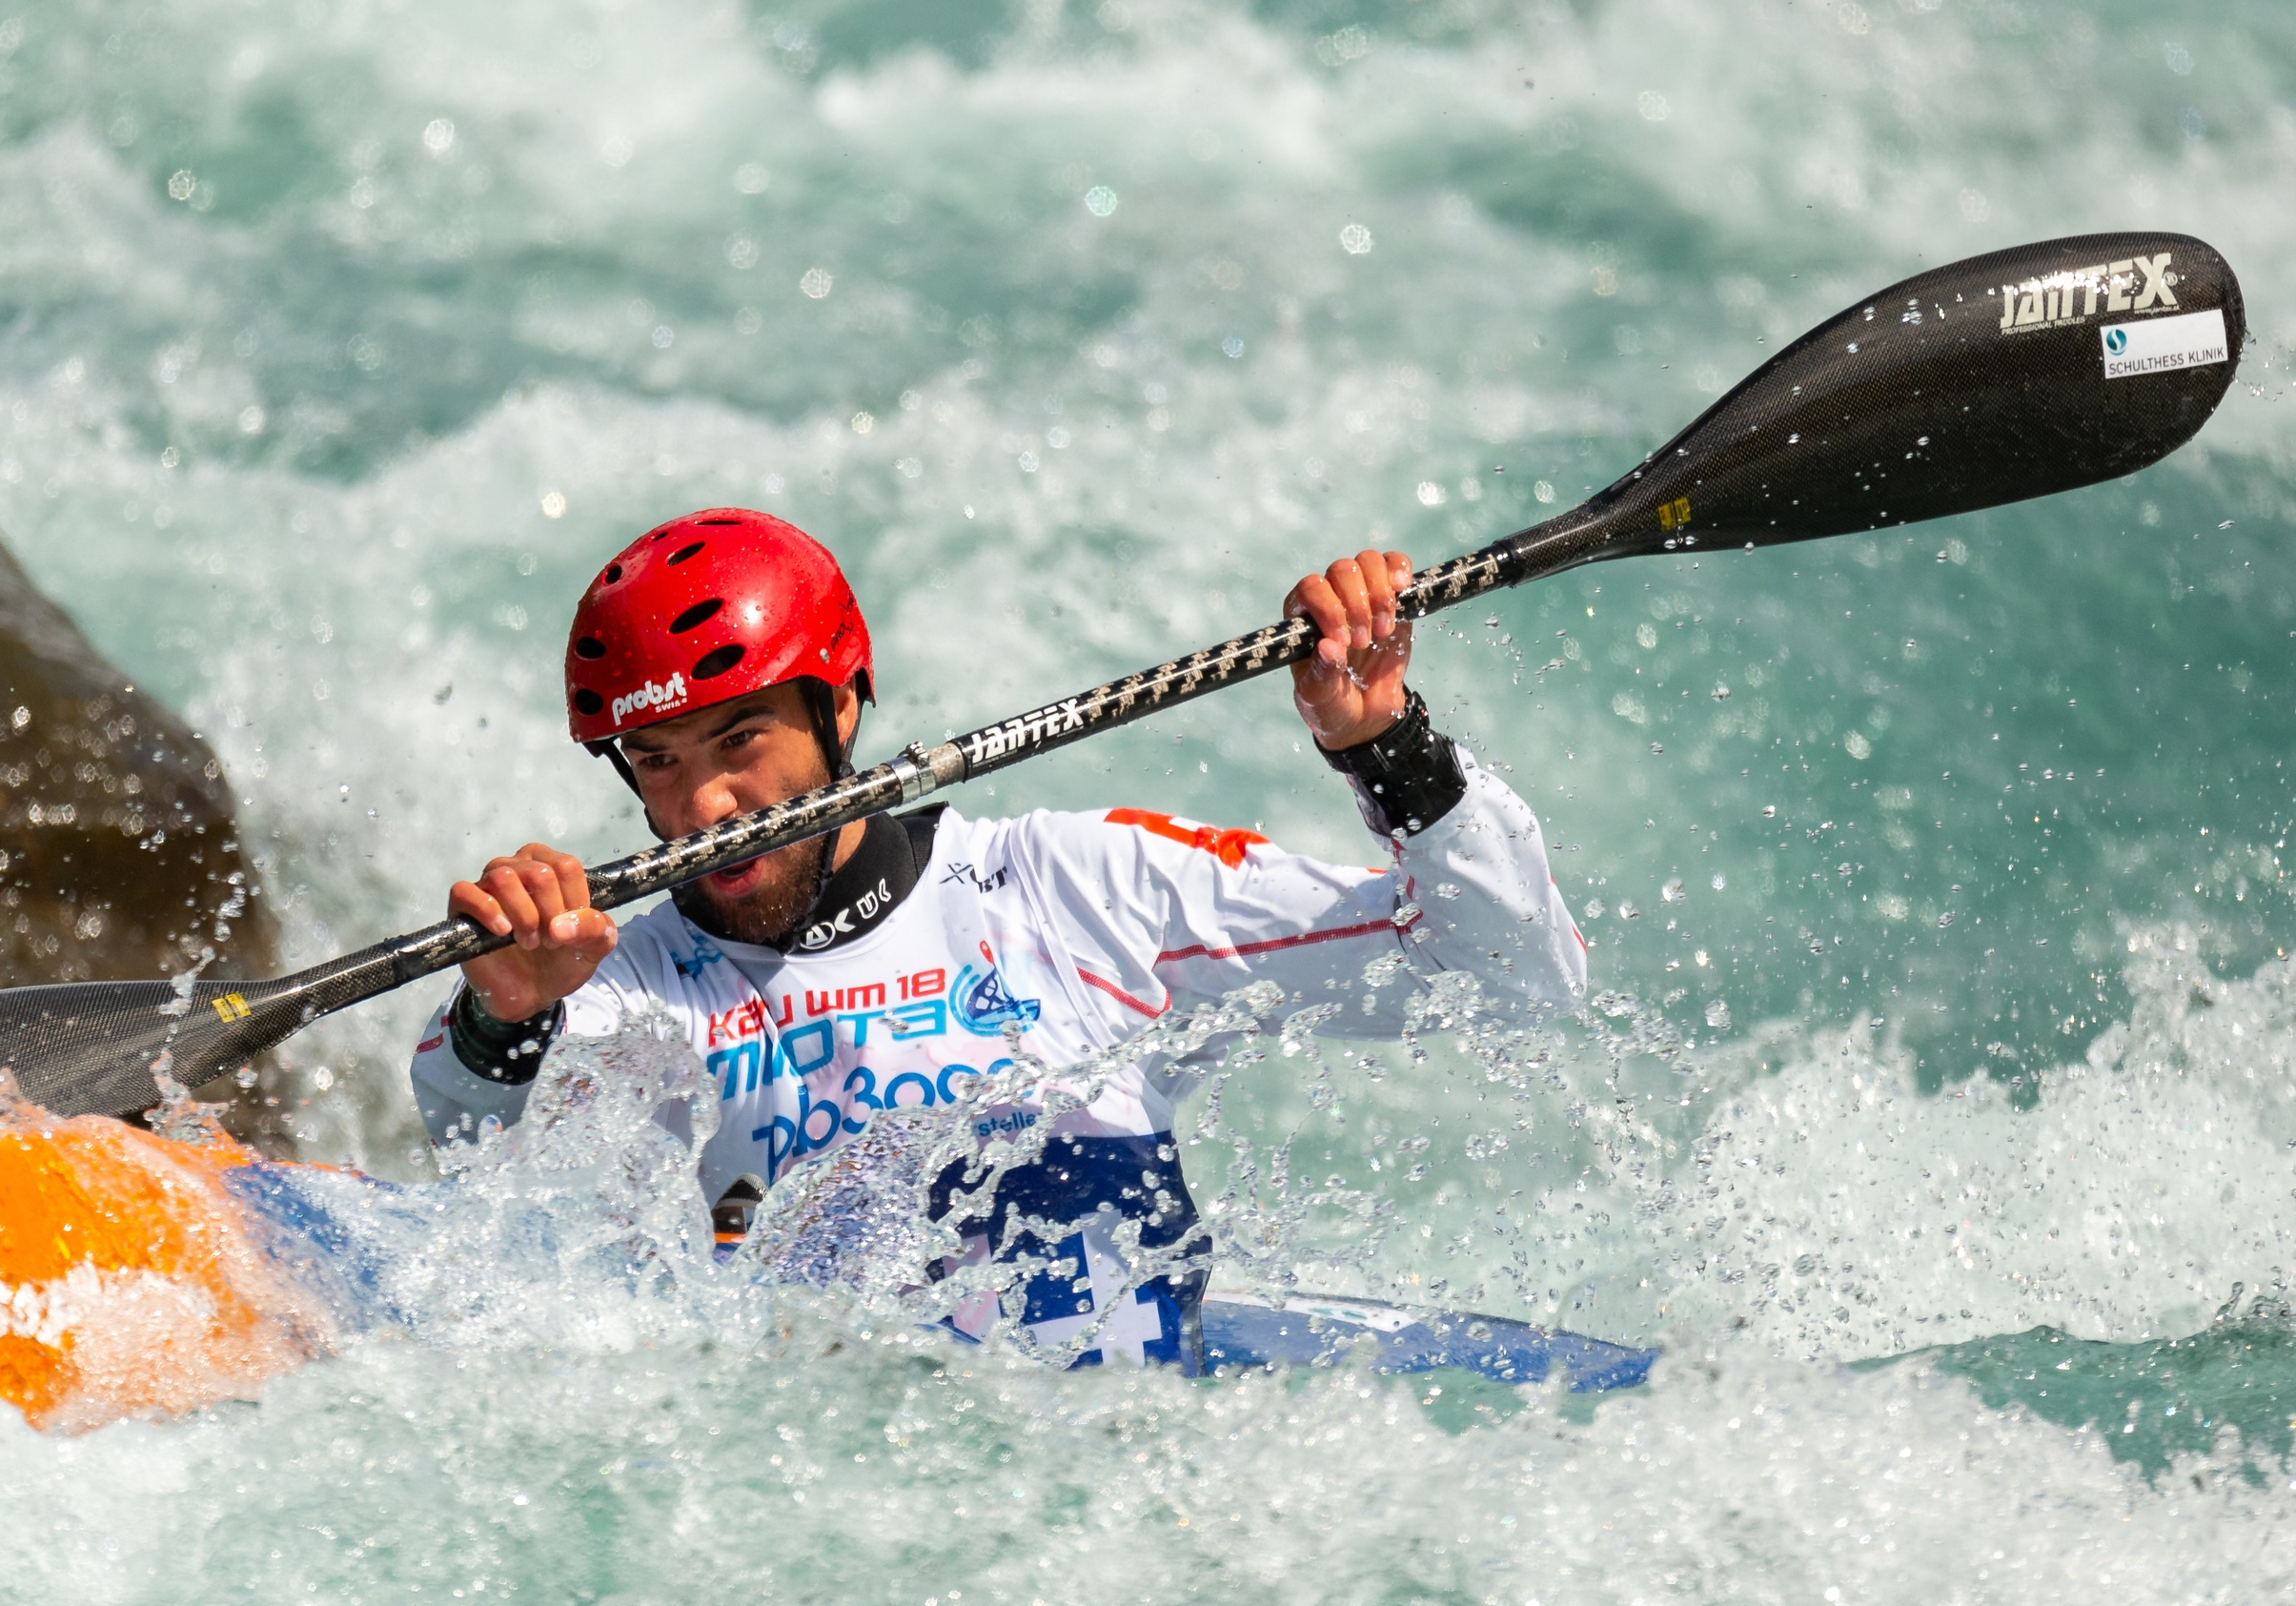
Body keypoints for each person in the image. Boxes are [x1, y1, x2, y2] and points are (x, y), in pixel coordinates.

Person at [412, 508, 1584, 1370]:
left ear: (838, 705)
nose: (701, 807)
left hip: (1121, 1482)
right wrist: (500, 1015)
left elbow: (1510, 977)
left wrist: (1385, 745)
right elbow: (478, 1175)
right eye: (657, 761)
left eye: (740, 741)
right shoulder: (624, 990)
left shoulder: (1083, 890)